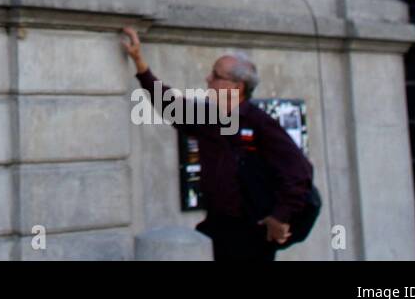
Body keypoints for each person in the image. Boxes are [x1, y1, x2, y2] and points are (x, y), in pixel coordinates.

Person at [120, 27, 313, 262]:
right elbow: (171, 105)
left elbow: (299, 173)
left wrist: (280, 217)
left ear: (237, 87)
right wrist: (139, 62)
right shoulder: (208, 118)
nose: (208, 79)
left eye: (216, 76)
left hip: (250, 232)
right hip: (218, 226)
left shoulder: (260, 124)